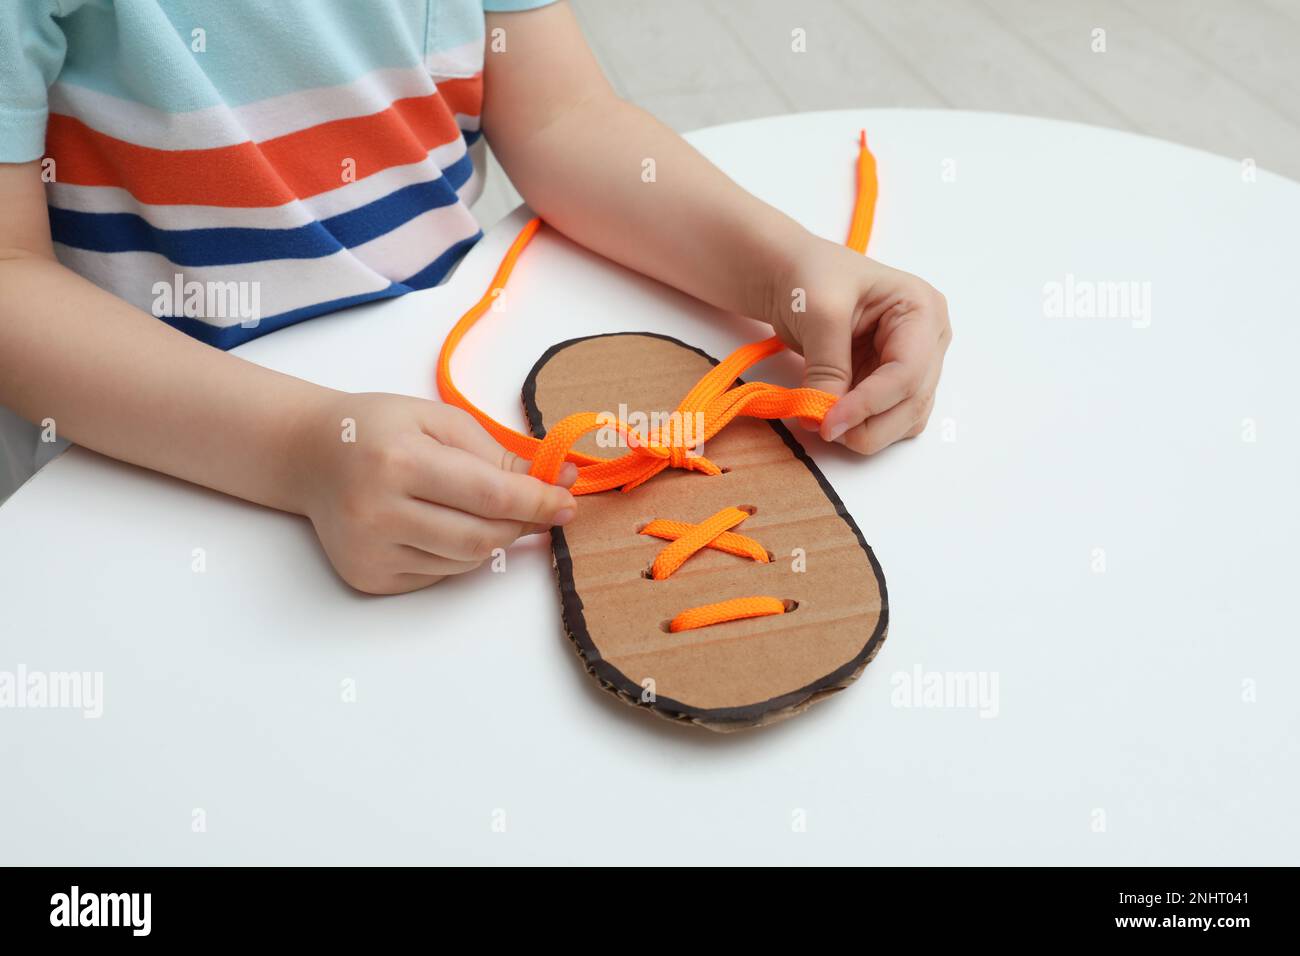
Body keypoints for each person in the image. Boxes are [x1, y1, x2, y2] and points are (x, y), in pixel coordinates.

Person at [0, 1, 950, 593]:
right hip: (152, 476)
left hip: (437, 438)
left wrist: (784, 270)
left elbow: (563, 119)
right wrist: (297, 449)